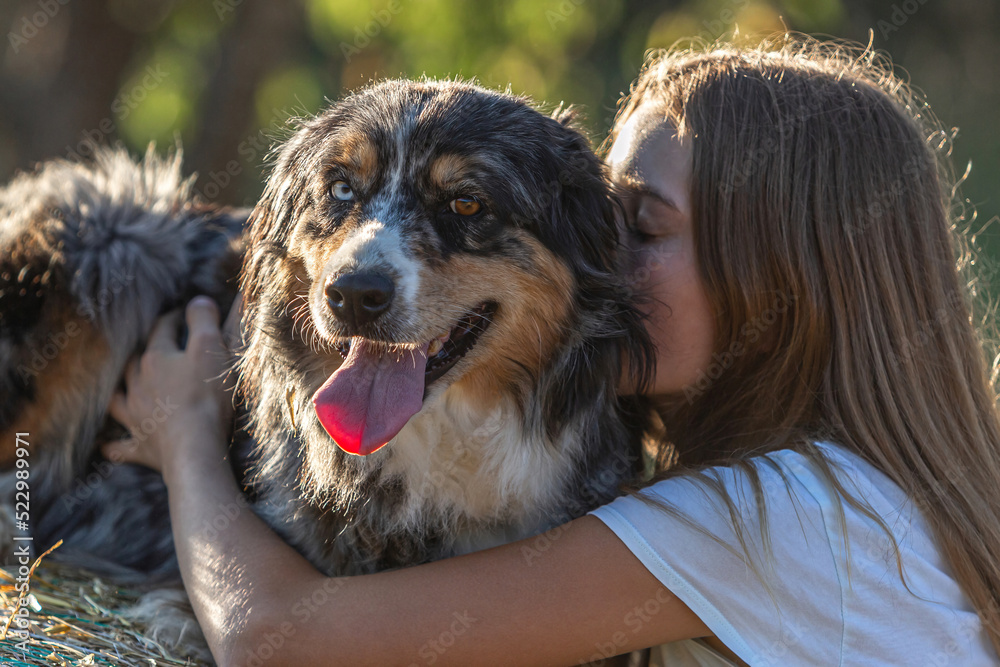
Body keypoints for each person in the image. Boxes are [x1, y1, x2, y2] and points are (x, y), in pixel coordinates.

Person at [104, 35, 1000, 666]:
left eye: (636, 226)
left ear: (785, 277)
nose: (598, 265)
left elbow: (276, 639)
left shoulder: (778, 522)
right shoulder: (861, 499)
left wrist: (184, 438)